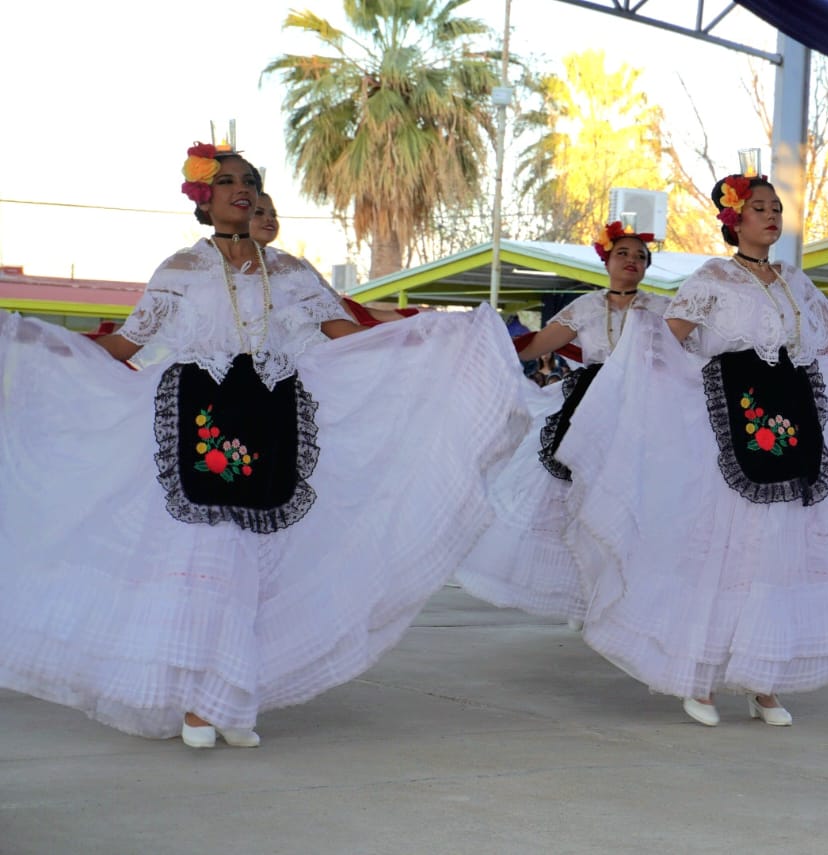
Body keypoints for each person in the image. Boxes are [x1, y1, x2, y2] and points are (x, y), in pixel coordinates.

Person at [0, 142, 527, 747]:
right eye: (226, 181)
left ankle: (226, 698)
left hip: (274, 418)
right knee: (212, 558)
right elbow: (126, 346)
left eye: (249, 179)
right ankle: (206, 703)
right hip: (202, 423)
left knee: (257, 562)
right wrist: (29, 342)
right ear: (204, 198)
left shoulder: (293, 272)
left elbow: (350, 339)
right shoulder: (180, 270)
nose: (241, 188)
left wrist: (439, 337)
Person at [555, 174, 828, 726]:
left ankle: (761, 676)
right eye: (759, 207)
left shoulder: (794, 281)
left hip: (789, 413)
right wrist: (632, 382)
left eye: (776, 206)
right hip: (730, 418)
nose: (770, 215)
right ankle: (699, 674)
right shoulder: (713, 277)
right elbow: (670, 337)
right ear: (734, 220)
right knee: (727, 544)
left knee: (777, 545)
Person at [454, 223, 668, 623]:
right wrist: (484, 346)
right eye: (624, 253)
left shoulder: (661, 309)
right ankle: (586, 591)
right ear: (607, 260)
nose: (632, 261)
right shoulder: (586, 307)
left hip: (644, 405)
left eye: (640, 256)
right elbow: (536, 345)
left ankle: (629, 590)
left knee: (639, 494)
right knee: (578, 496)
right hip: (590, 404)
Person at [250, 192, 413, 325]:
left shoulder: (290, 263)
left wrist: (398, 320)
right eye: (259, 213)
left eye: (274, 214)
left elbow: (337, 307)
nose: (269, 219)